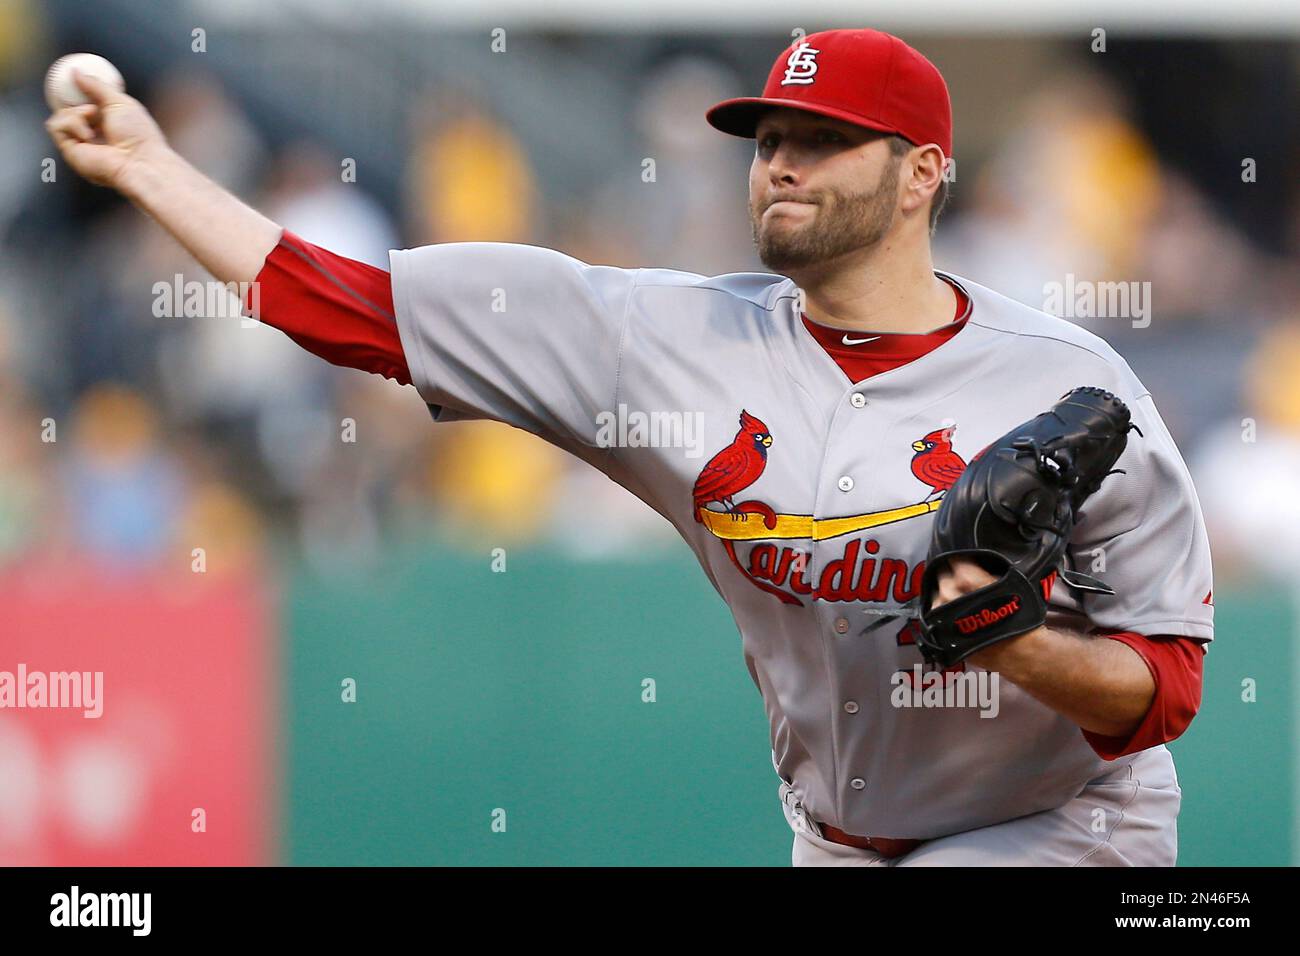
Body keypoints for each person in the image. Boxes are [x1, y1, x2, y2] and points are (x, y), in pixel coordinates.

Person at [46, 28, 1213, 866]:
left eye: (823, 139)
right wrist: (149, 166)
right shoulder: (665, 338)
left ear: (921, 174)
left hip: (1059, 823)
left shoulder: (1066, 382)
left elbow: (1164, 688)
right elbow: (350, 305)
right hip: (842, 831)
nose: (780, 163)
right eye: (768, 138)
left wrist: (1019, 642)